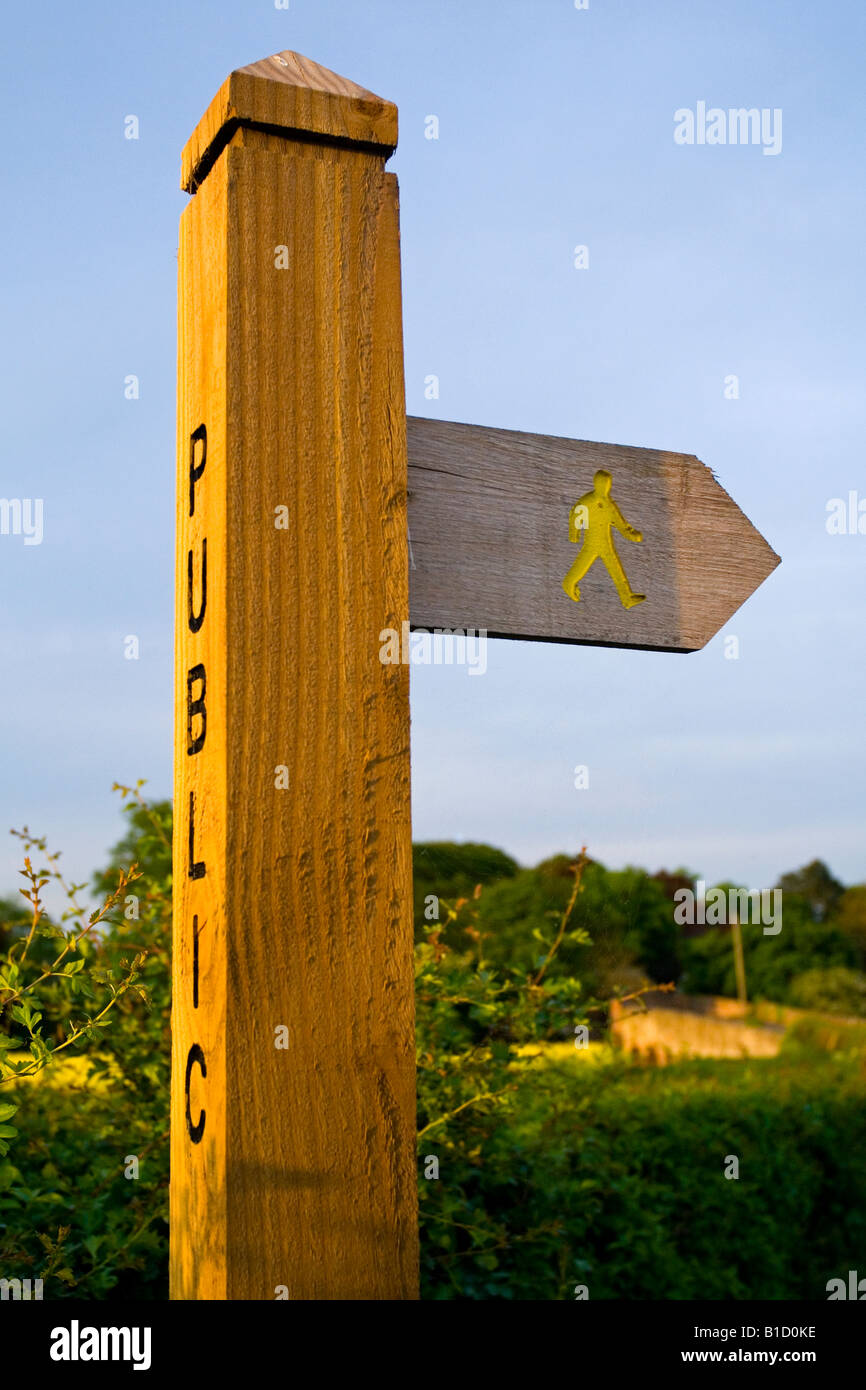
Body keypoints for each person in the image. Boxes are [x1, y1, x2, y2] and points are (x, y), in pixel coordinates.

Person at [562, 469, 646, 609]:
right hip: (592, 542)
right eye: (602, 484)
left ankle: (626, 597)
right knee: (583, 564)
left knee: (615, 568)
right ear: (596, 484)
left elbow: (621, 524)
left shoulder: (609, 505)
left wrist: (632, 535)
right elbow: (575, 515)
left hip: (605, 543)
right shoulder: (588, 501)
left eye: (606, 484)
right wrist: (574, 535)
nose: (605, 487)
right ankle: (568, 583)